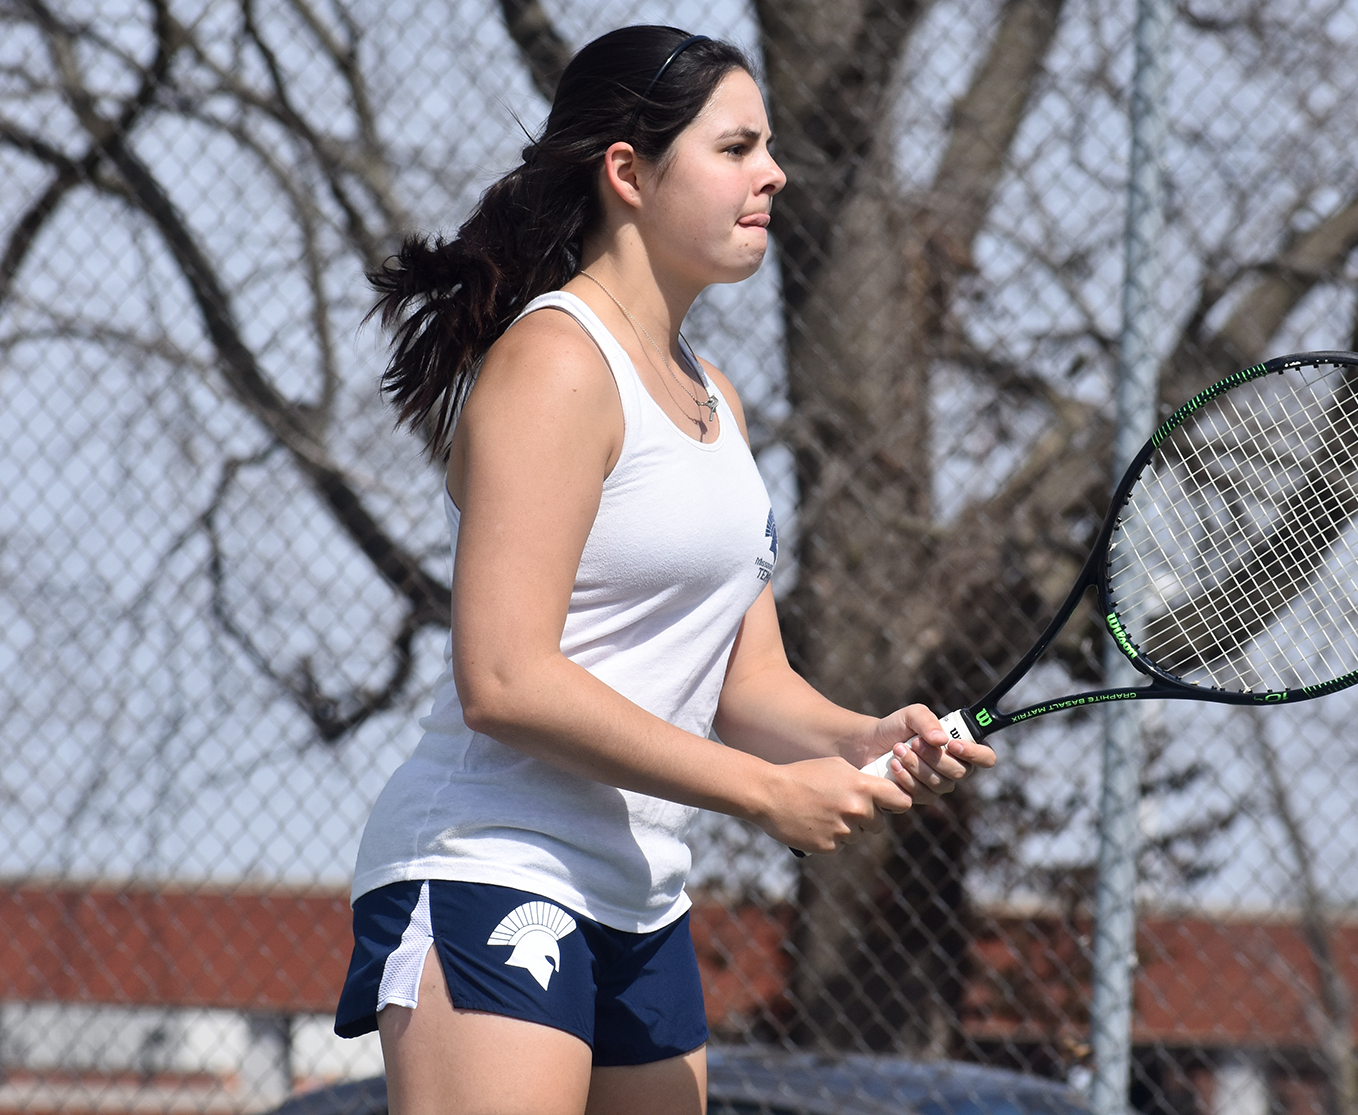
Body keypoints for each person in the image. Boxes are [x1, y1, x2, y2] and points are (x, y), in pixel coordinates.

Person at [332, 25, 997, 1115]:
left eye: (767, 146)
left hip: (642, 894)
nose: (771, 171)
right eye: (735, 146)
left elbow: (744, 684)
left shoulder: (713, 399)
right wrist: (764, 792)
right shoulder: (554, 363)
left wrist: (859, 736)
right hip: (492, 862)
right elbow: (502, 678)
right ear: (628, 173)